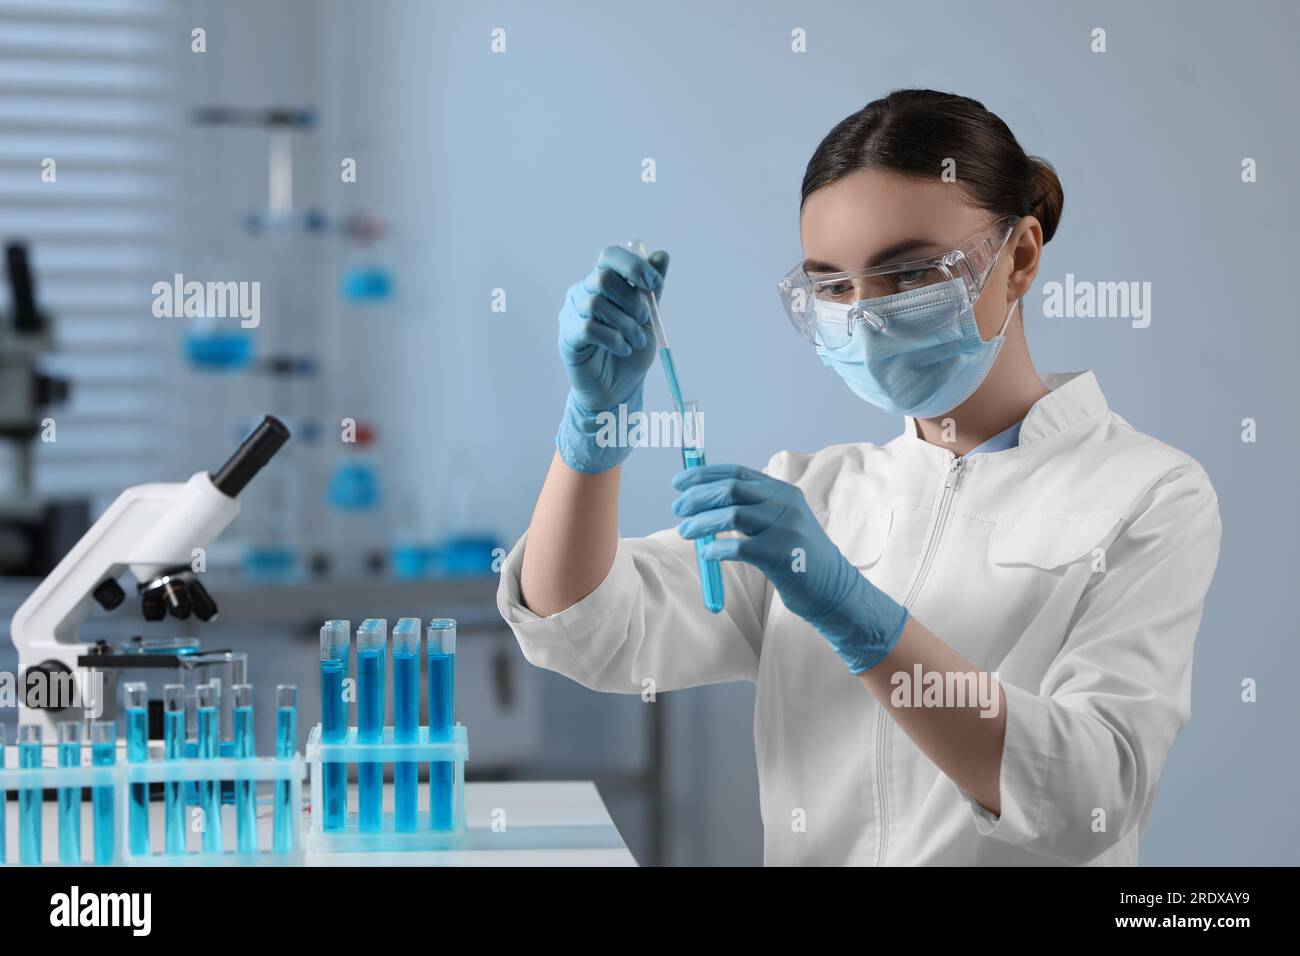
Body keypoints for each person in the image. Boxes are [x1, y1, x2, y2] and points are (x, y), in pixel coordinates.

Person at [495, 89, 1222, 866]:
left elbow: (1093, 798)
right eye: (834, 287)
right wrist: (593, 427)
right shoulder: (817, 496)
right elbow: (585, 629)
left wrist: (853, 612)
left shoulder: (1147, 494)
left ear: (1021, 257)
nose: (866, 316)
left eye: (908, 275)